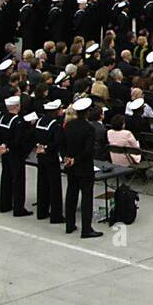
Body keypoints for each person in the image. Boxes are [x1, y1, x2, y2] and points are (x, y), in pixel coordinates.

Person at [62, 97, 102, 237]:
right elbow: (88, 150)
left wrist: (67, 157)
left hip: (71, 166)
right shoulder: (89, 128)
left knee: (71, 195)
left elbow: (63, 143)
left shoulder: (69, 125)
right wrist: (76, 159)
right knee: (86, 198)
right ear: (87, 113)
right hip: (84, 167)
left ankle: (69, 224)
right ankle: (86, 229)